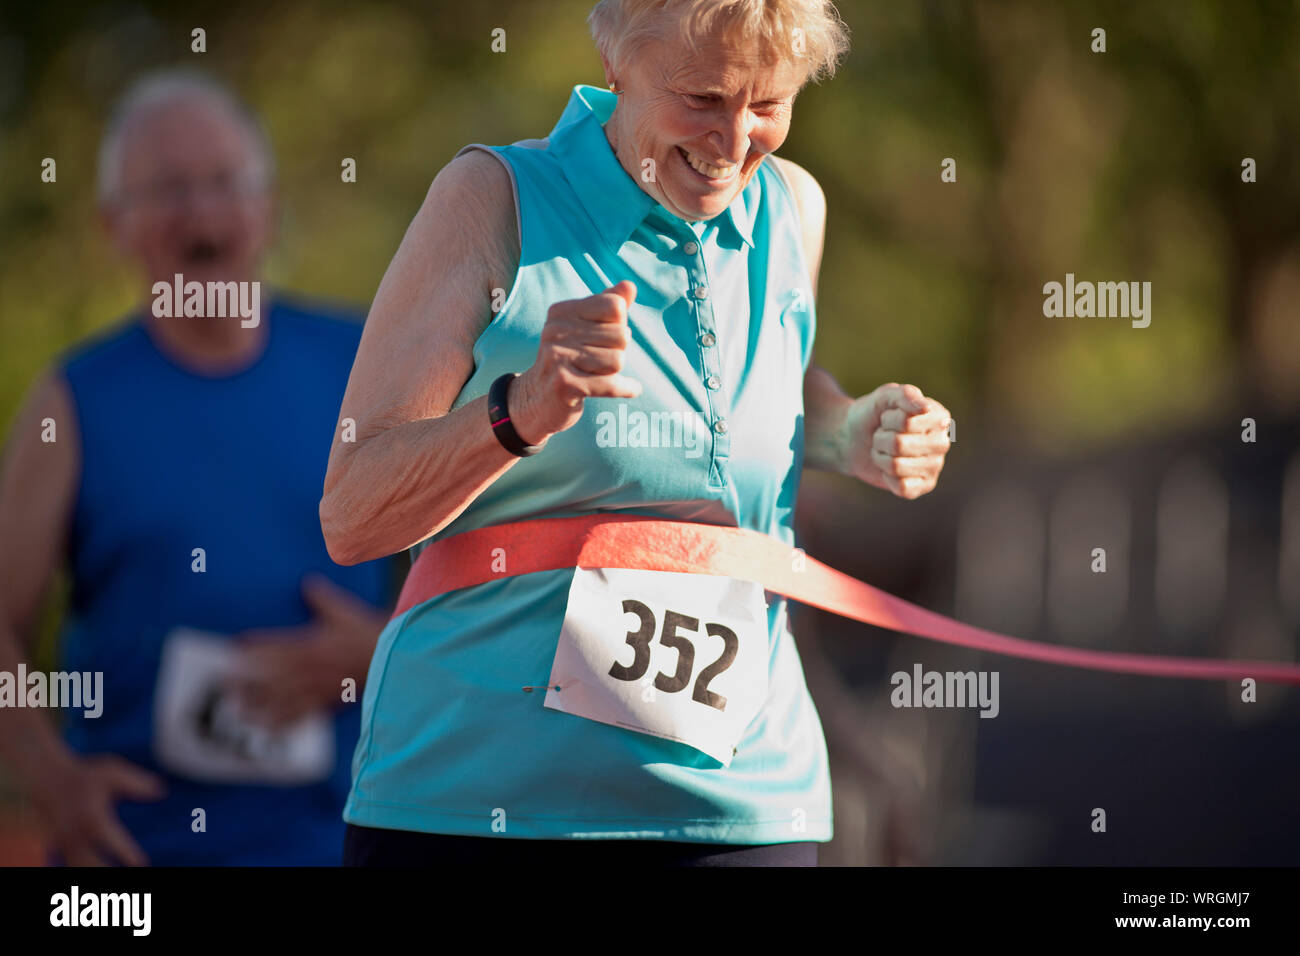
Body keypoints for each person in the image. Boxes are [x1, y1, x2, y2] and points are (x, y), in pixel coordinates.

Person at [324, 0, 952, 867]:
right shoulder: (490, 198)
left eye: (767, 105)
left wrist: (847, 430)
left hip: (743, 805)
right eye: (702, 98)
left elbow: (753, 387)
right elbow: (354, 513)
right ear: (616, 66)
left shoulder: (792, 207)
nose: (734, 143)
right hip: (477, 798)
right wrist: (523, 408)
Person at [0, 70, 395, 865]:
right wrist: (53, 780)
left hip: (350, 843)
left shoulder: (368, 363)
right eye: (169, 190)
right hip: (138, 859)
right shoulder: (71, 401)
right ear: (116, 225)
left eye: (224, 183)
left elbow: (482, 589)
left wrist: (385, 650)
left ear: (268, 205)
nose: (203, 213)